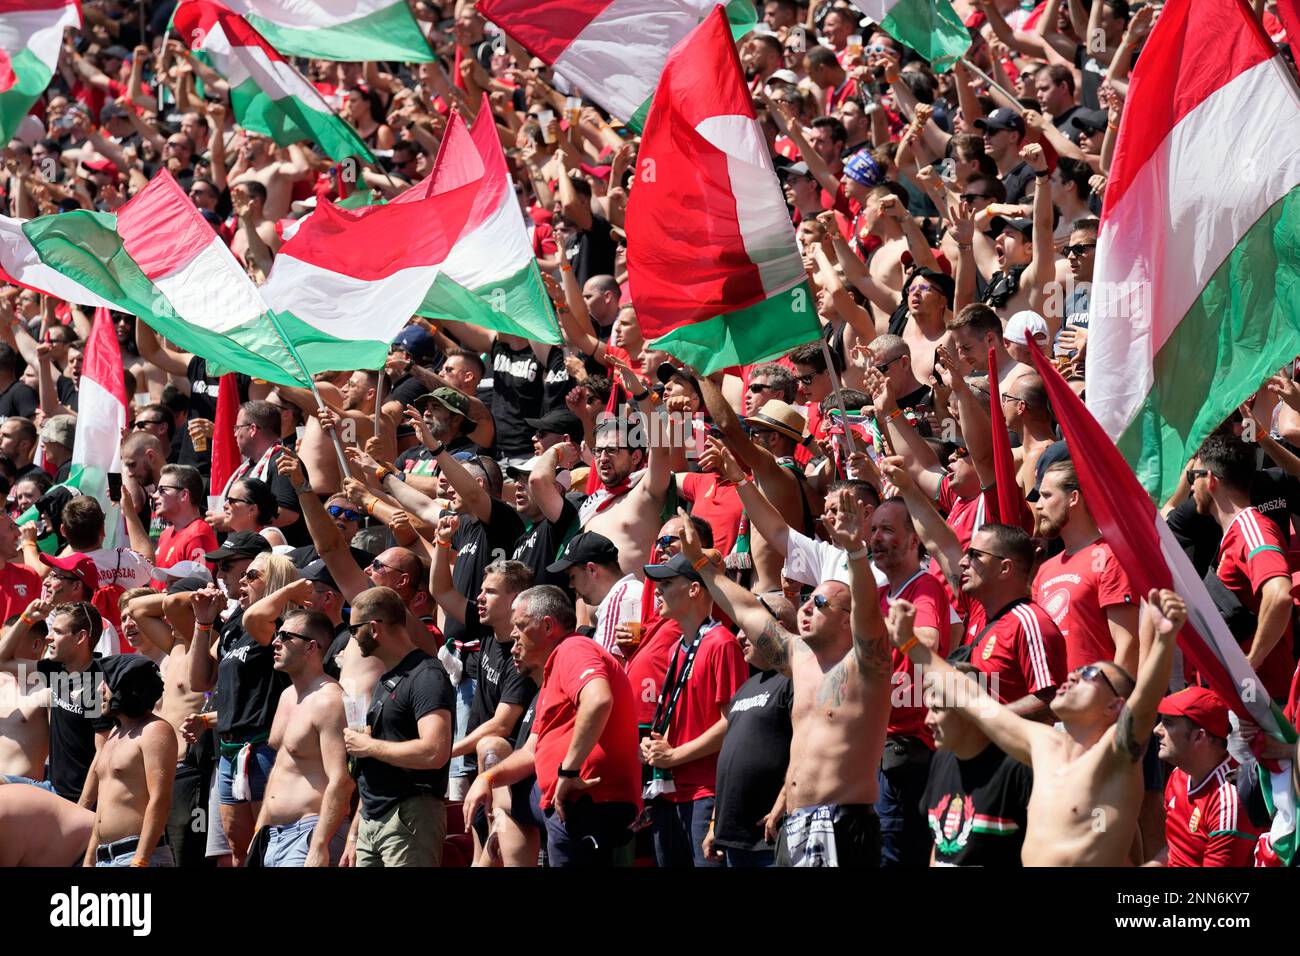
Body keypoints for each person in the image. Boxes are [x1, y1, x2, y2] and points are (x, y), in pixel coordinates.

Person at [888, 587, 1185, 865]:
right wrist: (911, 645)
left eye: (1090, 673)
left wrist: (1163, 641)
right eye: (1077, 669)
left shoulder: (1114, 759)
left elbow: (1143, 708)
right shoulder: (1043, 745)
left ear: (1115, 706)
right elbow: (971, 699)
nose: (1073, 675)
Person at [679, 497, 893, 866]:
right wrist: (699, 562)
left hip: (843, 824)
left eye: (821, 602)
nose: (807, 607)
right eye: (808, 599)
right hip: (795, 824)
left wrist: (856, 550)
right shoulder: (799, 658)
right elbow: (746, 610)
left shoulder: (868, 665)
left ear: (848, 620)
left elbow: (870, 612)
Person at [462, 585, 642, 867]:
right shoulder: (551, 675)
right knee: (502, 791)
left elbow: (598, 700)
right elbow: (531, 752)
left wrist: (569, 770)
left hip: (586, 796)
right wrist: (486, 779)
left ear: (548, 626)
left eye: (520, 626)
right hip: (558, 797)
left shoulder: (573, 648)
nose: (512, 636)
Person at [640, 553, 749, 868]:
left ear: (695, 590)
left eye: (668, 583)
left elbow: (731, 723)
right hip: (670, 793)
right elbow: (677, 714)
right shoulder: (677, 648)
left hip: (706, 793)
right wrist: (653, 743)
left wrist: (674, 756)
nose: (658, 590)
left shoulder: (721, 643)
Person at [341, 587, 455, 868]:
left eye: (354, 629)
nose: (352, 638)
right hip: (374, 818)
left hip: (409, 815)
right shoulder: (386, 678)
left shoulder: (427, 675)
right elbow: (372, 762)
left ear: (374, 628)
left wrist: (369, 745)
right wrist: (355, 831)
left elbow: (435, 751)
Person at [1187, 433, 1296, 702]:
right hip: (1243, 702)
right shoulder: (1237, 533)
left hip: (1261, 703)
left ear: (1210, 479)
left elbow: (1280, 593)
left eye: (1193, 477)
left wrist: (1251, 663)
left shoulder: (1252, 529)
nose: (1190, 489)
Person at [252, 608, 353, 867]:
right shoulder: (287, 695)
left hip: (309, 833)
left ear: (311, 648)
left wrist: (319, 845)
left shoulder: (329, 700)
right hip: (272, 836)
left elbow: (341, 780)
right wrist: (259, 829)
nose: (275, 642)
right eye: (277, 634)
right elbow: (280, 769)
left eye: (285, 636)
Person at [703, 596, 795, 868]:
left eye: (747, 627)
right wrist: (714, 825)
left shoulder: (795, 679)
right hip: (734, 840)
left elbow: (806, 749)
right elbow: (730, 759)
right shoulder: (747, 685)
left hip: (770, 836)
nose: (739, 636)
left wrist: (783, 802)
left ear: (776, 628)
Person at [921, 662, 1034, 867]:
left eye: (937, 709)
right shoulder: (941, 759)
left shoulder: (1017, 769)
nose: (928, 720)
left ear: (969, 711)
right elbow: (938, 846)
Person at [1032, 461, 1139, 675]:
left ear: (1074, 498)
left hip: (1098, 701)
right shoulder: (1044, 570)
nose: (1038, 505)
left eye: (1047, 495)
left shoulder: (1111, 556)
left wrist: (1111, 702)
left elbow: (1128, 647)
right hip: (1055, 703)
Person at [0, 600, 113, 802]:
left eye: (58, 632)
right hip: (51, 787)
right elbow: (2, 661)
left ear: (81, 637)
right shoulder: (55, 671)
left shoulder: (92, 683)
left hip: (76, 798)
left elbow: (102, 753)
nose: (49, 638)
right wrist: (27, 618)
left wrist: (83, 807)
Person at [1150, 686, 1259, 867]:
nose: (1156, 730)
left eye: (1168, 723)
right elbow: (1174, 851)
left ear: (1199, 737)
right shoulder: (1180, 774)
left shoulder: (1229, 803)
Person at [84, 655, 176, 867]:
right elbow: (103, 806)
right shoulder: (114, 733)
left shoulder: (155, 730)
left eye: (106, 684)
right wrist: (89, 861)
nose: (100, 691)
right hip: (103, 858)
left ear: (122, 685)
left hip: (136, 857)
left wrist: (140, 861)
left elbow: (160, 799)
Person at [547, 531, 640, 656]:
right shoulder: (630, 592)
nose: (571, 585)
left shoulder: (621, 599)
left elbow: (604, 668)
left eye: (572, 576)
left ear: (592, 569)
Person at [153, 464, 219, 571]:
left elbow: (198, 585)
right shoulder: (165, 535)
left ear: (184, 495)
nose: (155, 495)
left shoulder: (198, 534)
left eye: (162, 490)